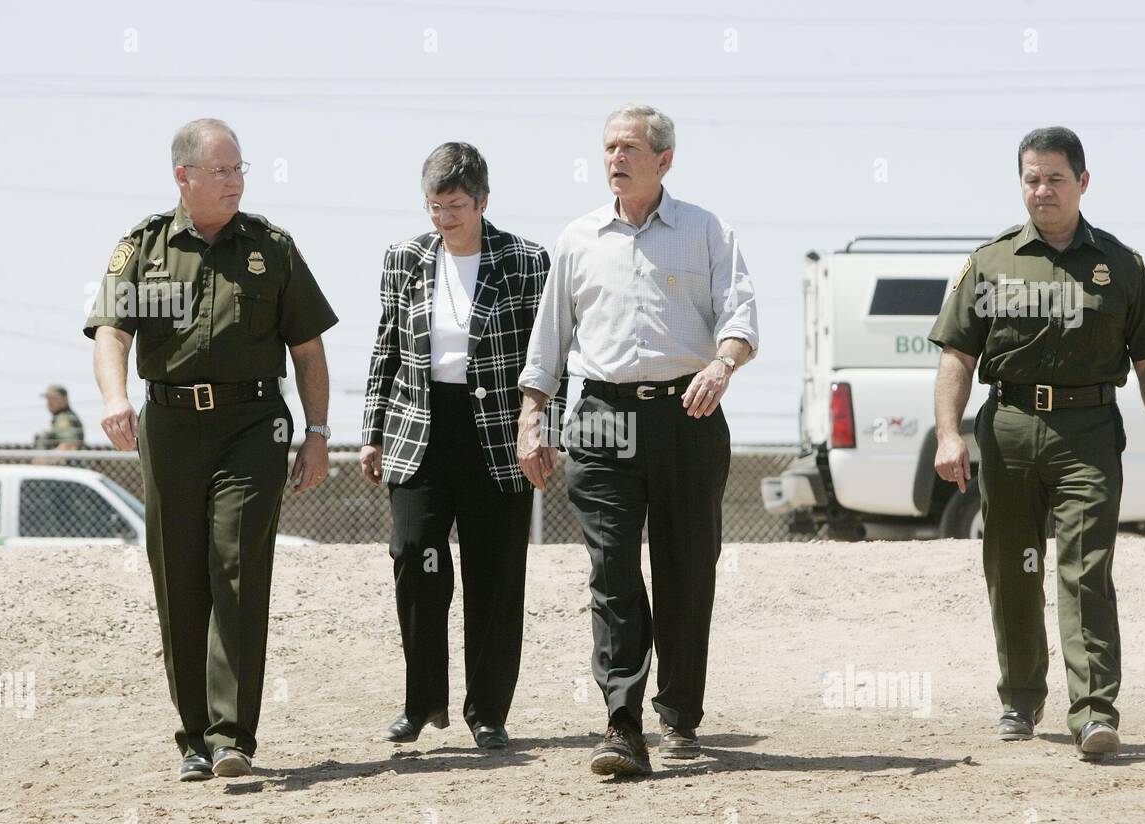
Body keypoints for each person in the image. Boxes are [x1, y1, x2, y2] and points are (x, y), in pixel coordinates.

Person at [85, 118, 339, 782]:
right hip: (168, 425)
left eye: (239, 170)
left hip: (252, 425)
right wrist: (114, 399)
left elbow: (308, 350)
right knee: (179, 576)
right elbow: (111, 332)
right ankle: (193, 738)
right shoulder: (143, 248)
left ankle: (232, 736)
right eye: (220, 172)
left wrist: (316, 433)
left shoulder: (272, 248)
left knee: (236, 564)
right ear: (184, 177)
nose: (234, 183)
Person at [928, 126, 1145, 762]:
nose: (1042, 190)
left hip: (1089, 432)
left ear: (1083, 183)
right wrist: (948, 432)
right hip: (1010, 428)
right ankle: (1020, 696)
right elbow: (958, 355)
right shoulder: (990, 262)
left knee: (1085, 568)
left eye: (1055, 179)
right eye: (1031, 179)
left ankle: (1095, 711)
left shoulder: (1121, 265)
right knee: (1012, 567)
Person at [517, 104, 759, 776]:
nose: (615, 159)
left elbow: (741, 316)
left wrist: (722, 363)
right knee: (612, 568)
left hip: (688, 412)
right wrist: (531, 418)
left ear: (664, 159)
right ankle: (622, 724)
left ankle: (679, 713)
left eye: (628, 148)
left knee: (685, 569)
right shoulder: (578, 239)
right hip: (600, 417)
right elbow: (548, 345)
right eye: (608, 148)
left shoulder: (707, 232)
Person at [360, 142, 558, 750]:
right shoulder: (404, 258)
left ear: (483, 201)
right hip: (419, 428)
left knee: (495, 575)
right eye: (435, 206)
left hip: (498, 434)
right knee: (416, 556)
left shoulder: (526, 261)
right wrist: (370, 432)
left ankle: (488, 711)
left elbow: (547, 355)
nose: (444, 218)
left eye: (456, 206)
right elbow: (385, 348)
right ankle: (423, 703)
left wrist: (541, 427)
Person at [34, 385, 84, 451]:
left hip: (57, 461)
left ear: (64, 399)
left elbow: (69, 445)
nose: (49, 402)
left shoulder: (64, 418)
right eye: (48, 399)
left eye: (53, 398)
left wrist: (44, 459)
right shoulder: (60, 417)